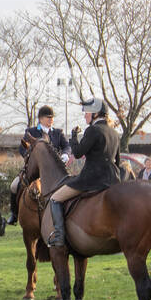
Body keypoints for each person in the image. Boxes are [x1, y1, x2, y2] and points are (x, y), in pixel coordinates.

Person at [46, 98, 121, 248]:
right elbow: (117, 160)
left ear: (95, 114)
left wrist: (73, 137)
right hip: (113, 178)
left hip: (91, 178)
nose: (85, 116)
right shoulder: (114, 132)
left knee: (55, 198)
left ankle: (59, 237)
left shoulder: (93, 130)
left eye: (87, 113)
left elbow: (79, 153)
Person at [8, 105, 71, 224]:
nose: (51, 120)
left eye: (52, 118)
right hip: (33, 171)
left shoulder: (58, 133)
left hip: (54, 173)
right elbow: (22, 148)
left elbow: (67, 146)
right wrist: (31, 157)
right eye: (48, 117)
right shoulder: (30, 132)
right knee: (14, 186)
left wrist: (65, 155)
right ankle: (14, 214)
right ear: (41, 119)